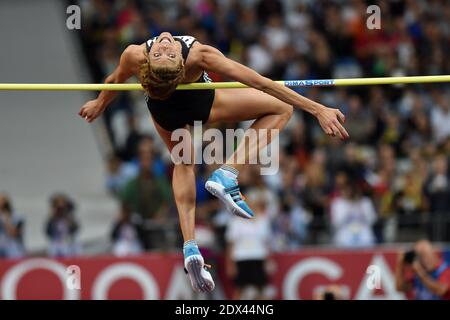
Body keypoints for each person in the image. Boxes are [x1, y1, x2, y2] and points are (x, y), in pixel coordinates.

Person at [79, 31, 348, 292]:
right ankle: (228, 172)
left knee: (184, 163)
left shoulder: (134, 54)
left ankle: (190, 246)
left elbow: (116, 79)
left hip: (164, 114)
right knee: (282, 108)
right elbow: (262, 83)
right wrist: (317, 109)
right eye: (166, 53)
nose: (164, 43)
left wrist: (100, 103)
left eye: (164, 52)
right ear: (181, 63)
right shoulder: (199, 55)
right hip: (204, 104)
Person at [0, 193, 25, 258]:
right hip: (1, 244)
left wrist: (5, 219)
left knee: (14, 252)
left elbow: (13, 233)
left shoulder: (17, 216)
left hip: (12, 244)